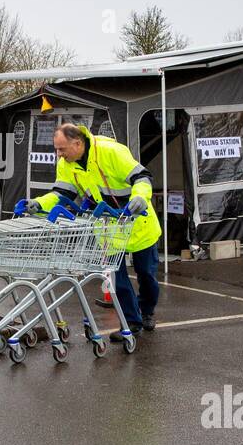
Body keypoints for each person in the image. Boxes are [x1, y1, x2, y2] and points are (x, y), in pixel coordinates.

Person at [13, 122, 161, 342]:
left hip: (138, 223)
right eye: (56, 149)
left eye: (62, 149)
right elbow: (61, 194)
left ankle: (147, 309)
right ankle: (131, 323)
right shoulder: (66, 165)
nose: (58, 155)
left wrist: (140, 196)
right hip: (109, 229)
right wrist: (38, 203)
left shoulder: (111, 152)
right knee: (117, 280)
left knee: (146, 275)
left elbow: (142, 177)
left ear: (78, 143)